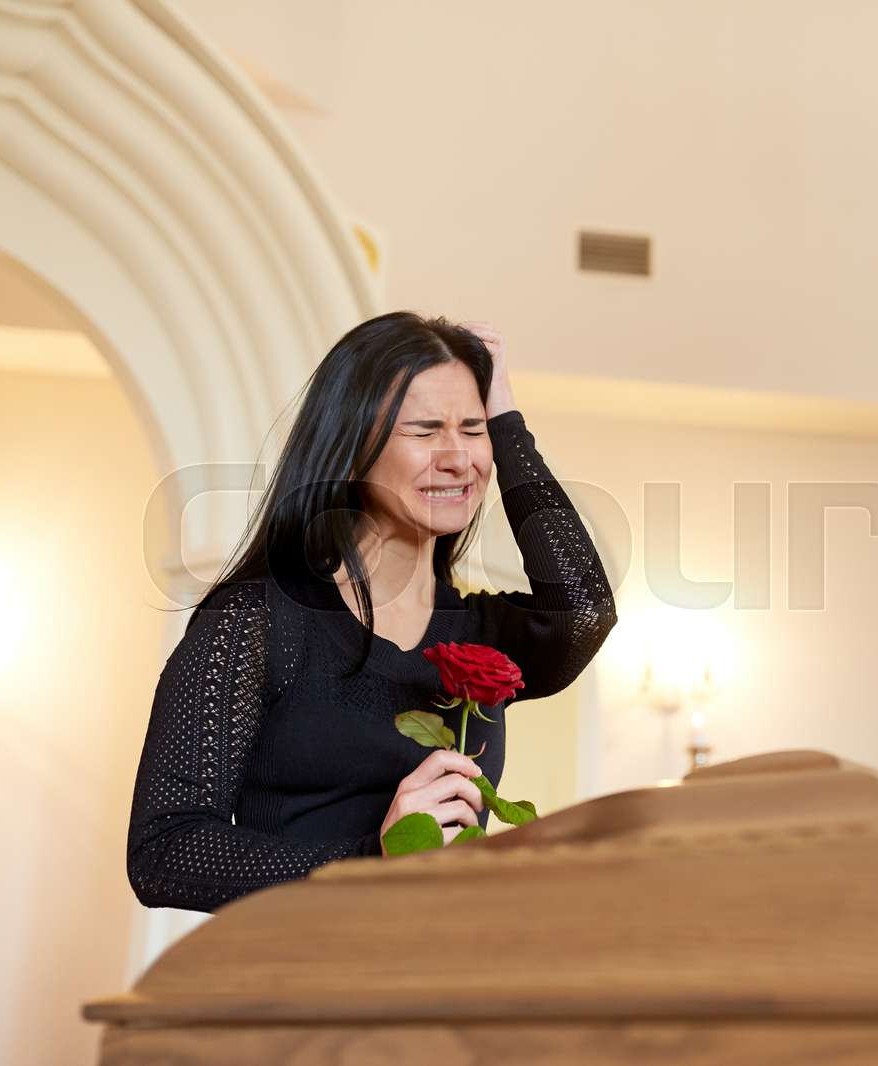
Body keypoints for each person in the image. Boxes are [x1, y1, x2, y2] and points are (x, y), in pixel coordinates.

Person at [126, 311, 616, 913]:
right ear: (353, 450)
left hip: (433, 980)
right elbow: (164, 853)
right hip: (294, 986)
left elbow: (585, 609)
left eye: (472, 428)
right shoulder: (256, 622)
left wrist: (509, 428)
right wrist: (370, 858)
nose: (458, 458)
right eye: (425, 431)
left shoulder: (480, 634)